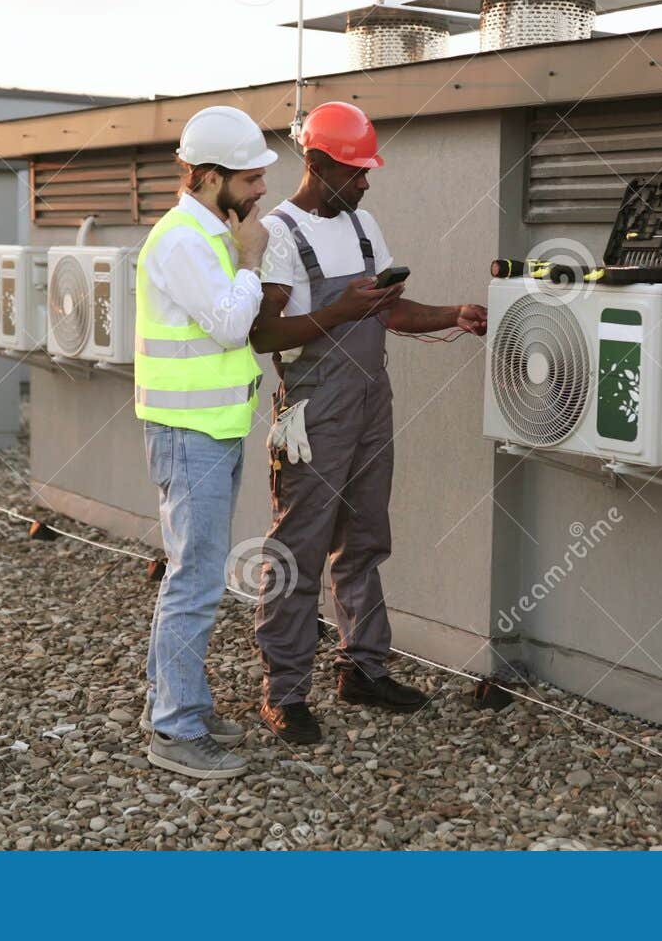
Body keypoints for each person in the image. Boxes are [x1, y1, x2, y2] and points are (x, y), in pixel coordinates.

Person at [249, 101, 488, 745]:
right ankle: (286, 692)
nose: (365, 182)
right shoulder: (277, 234)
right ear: (318, 162)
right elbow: (263, 332)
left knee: (364, 534)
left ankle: (362, 667)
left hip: (369, 400)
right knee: (298, 545)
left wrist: (452, 314)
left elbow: (389, 312)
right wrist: (341, 309)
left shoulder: (362, 226)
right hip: (313, 407)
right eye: (355, 171)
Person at [136, 105, 276, 779]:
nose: (261, 192)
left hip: (210, 427)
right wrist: (251, 262)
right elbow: (227, 326)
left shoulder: (205, 233)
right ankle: (175, 729)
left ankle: (178, 702)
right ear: (212, 176)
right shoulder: (187, 242)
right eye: (251, 179)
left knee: (194, 574)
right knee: (194, 578)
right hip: (192, 432)